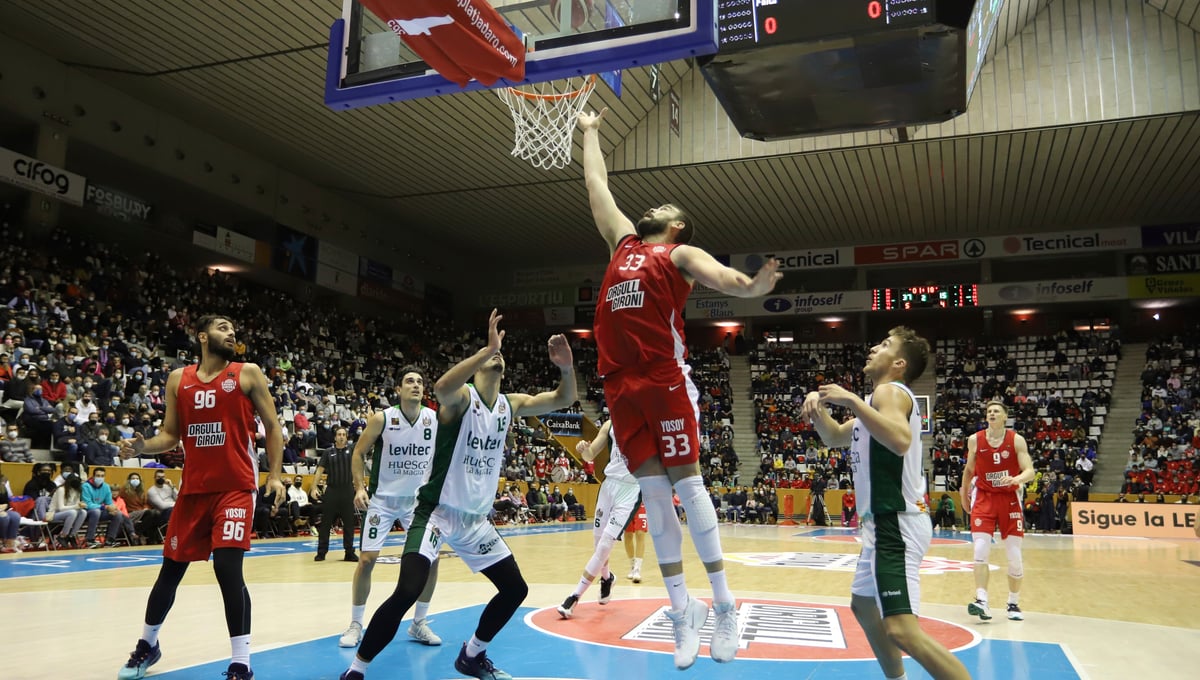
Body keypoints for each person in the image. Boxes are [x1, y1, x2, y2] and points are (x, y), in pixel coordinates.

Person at [578, 108, 783, 669]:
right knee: (651, 495)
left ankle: (721, 606)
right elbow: (597, 186)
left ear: (676, 228)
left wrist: (754, 286)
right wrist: (592, 133)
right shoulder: (621, 246)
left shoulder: (679, 255)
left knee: (688, 490)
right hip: (619, 386)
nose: (656, 207)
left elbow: (725, 278)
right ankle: (680, 613)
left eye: (667, 209)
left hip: (663, 379)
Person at [339, 310, 575, 680]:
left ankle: (472, 655)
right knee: (407, 590)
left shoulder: (511, 404)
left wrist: (565, 367)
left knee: (515, 589)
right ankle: (356, 669)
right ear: (478, 367)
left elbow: (565, 397)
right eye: (489, 358)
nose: (497, 357)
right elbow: (442, 389)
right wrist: (487, 348)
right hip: (435, 512)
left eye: (500, 356)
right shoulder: (462, 400)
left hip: (474, 522)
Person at [116, 315, 284, 680]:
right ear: (202, 336)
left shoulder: (247, 372)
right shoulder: (179, 379)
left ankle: (242, 662)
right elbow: (170, 436)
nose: (232, 332)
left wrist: (275, 475)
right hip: (194, 490)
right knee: (170, 572)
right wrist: (142, 445)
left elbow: (272, 426)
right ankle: (148, 645)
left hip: (236, 488)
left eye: (233, 329)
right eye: (224, 328)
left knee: (227, 568)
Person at [802, 326, 971, 680]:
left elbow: (899, 440)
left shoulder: (889, 393)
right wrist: (817, 410)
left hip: (897, 522)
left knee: (901, 630)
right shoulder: (876, 404)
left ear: (898, 362)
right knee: (863, 607)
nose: (873, 348)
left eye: (884, 344)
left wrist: (850, 399)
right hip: (883, 523)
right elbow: (834, 436)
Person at [337, 368, 443, 649]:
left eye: (420, 382)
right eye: (410, 381)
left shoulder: (434, 419)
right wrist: (359, 487)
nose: (416, 385)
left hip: (417, 505)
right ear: (398, 389)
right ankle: (356, 624)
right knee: (367, 560)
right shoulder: (383, 418)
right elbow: (358, 453)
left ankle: (419, 623)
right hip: (382, 501)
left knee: (432, 560)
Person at [557, 420, 641, 618]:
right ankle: (607, 578)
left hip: (630, 489)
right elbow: (589, 455)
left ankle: (574, 596)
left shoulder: (646, 423)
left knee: (604, 545)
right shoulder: (610, 424)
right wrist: (583, 449)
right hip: (608, 485)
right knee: (597, 542)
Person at [960, 400, 1034, 622]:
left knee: (1014, 556)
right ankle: (982, 600)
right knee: (980, 549)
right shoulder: (975, 440)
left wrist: (1017, 478)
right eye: (989, 411)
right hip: (983, 497)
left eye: (996, 411)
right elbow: (968, 470)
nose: (991, 414)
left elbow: (1029, 470)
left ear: (1005, 417)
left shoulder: (1016, 440)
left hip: (1009, 498)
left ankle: (1013, 602)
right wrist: (964, 496)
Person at [312, 427, 358, 562]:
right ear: (335, 437)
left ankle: (349, 552)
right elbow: (319, 470)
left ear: (347, 437)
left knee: (349, 524)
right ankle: (321, 552)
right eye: (339, 434)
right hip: (332, 491)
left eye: (344, 434)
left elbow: (364, 439)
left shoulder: (352, 450)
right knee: (326, 523)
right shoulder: (327, 452)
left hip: (347, 490)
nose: (341, 437)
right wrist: (313, 487)